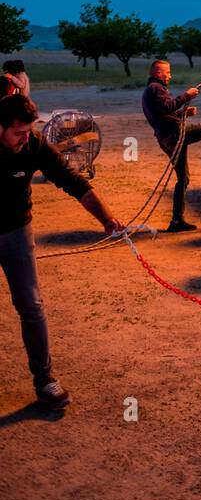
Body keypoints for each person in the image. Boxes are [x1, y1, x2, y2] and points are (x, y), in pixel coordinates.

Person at [0, 93, 124, 408]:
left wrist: (106, 219)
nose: (25, 138)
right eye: (18, 132)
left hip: (16, 231)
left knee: (31, 305)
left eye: (28, 131)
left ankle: (44, 380)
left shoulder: (34, 144)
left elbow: (73, 181)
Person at [141, 59, 201, 232]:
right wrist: (187, 96)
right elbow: (167, 106)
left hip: (165, 139)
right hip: (175, 136)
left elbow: (163, 112)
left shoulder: (150, 90)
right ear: (158, 73)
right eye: (167, 72)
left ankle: (176, 221)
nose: (170, 75)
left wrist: (183, 113)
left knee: (183, 179)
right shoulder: (156, 88)